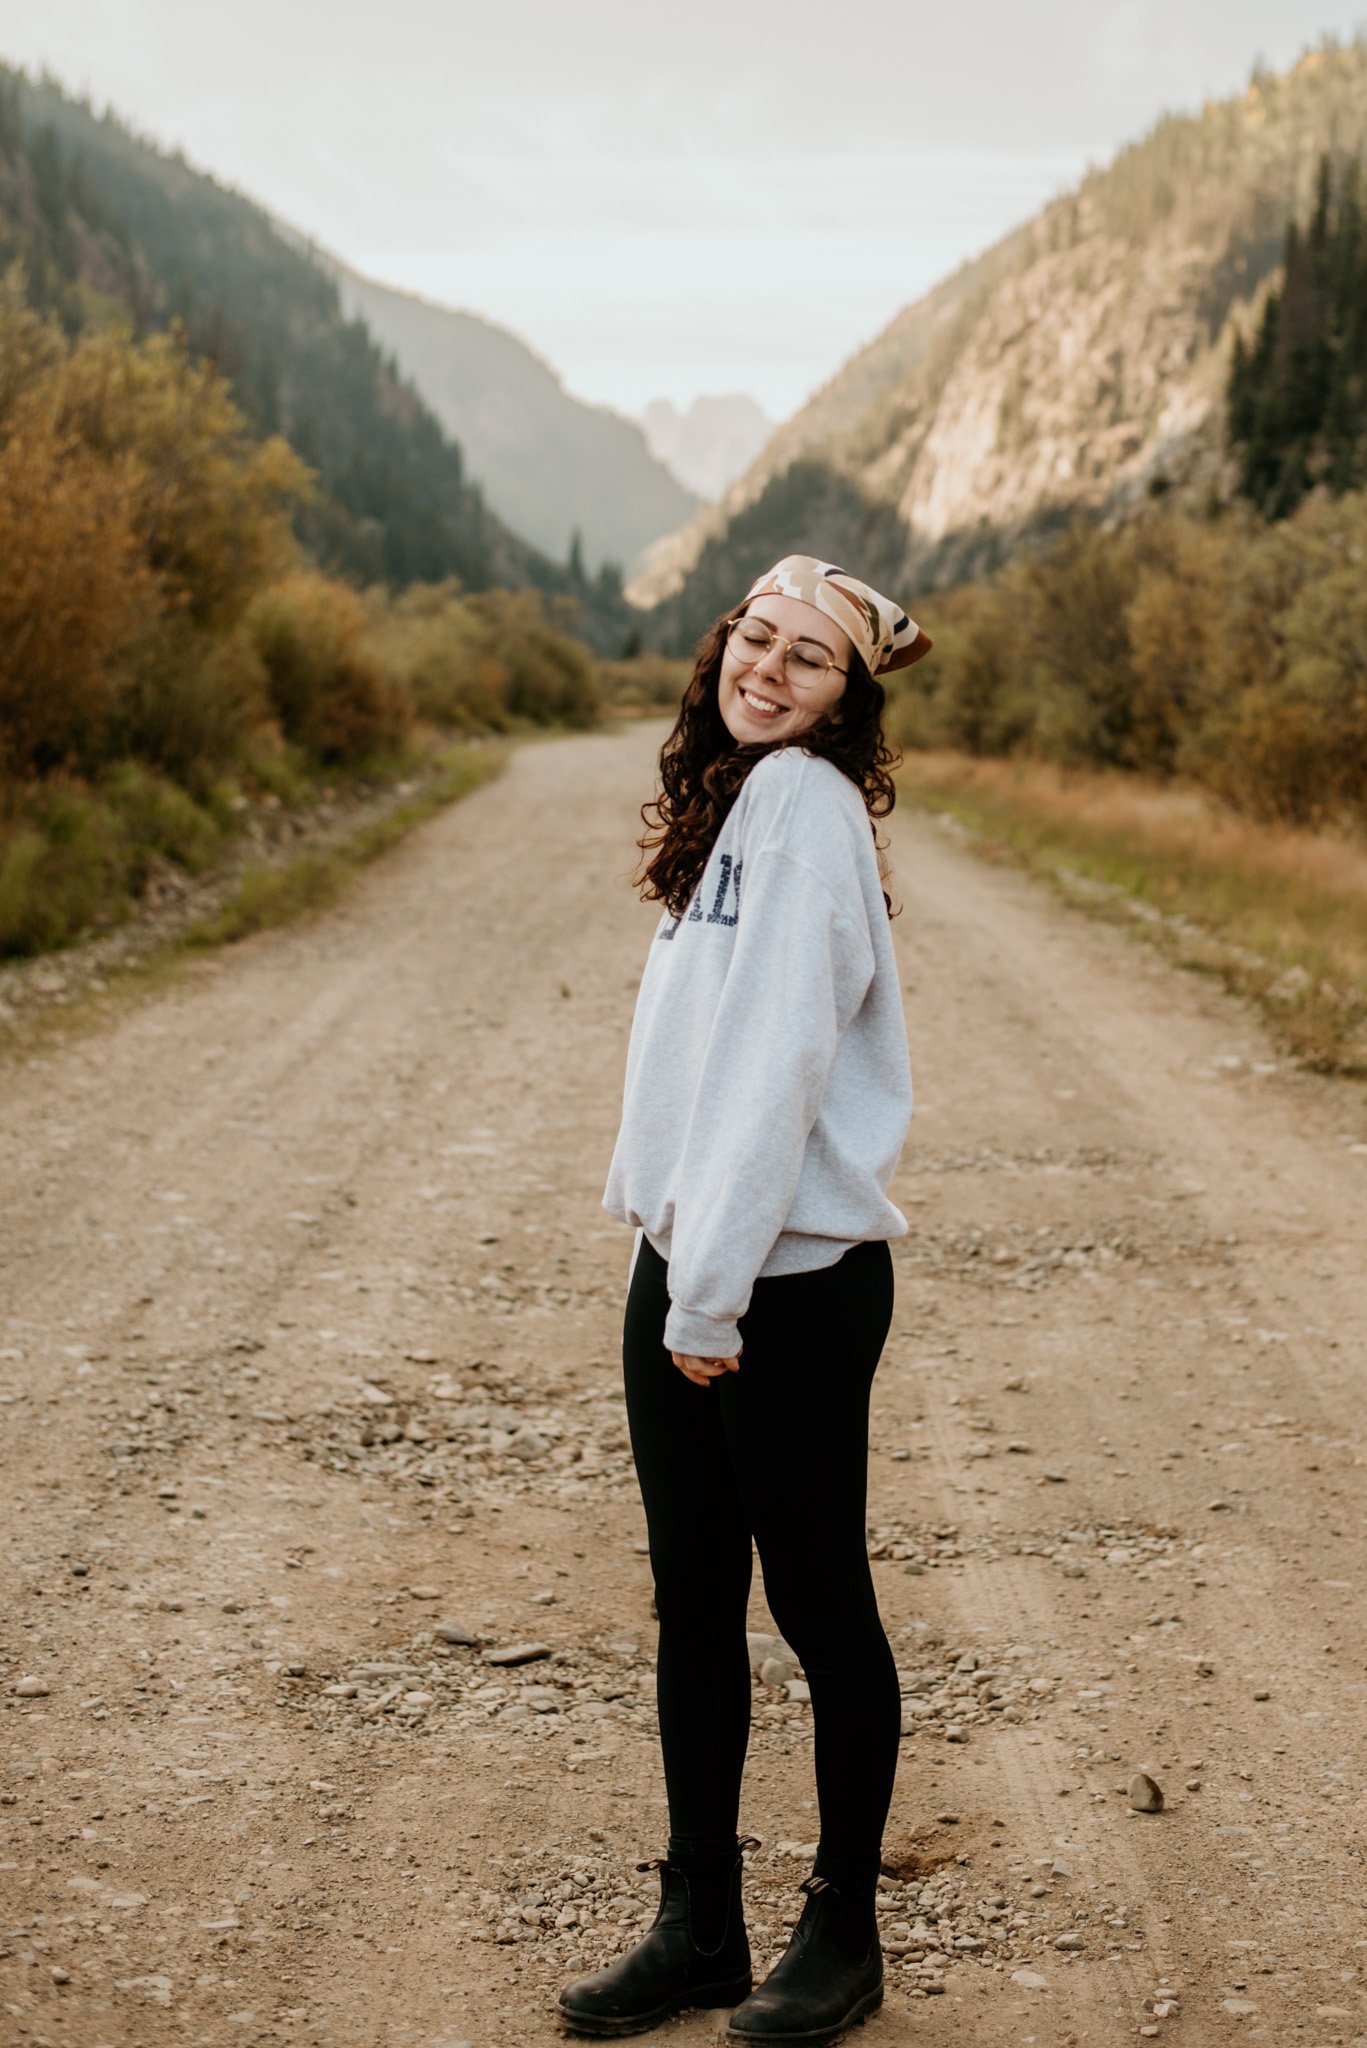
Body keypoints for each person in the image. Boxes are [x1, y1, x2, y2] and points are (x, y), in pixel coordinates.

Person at [558, 556, 932, 2047]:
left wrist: (705, 1295)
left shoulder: (802, 808)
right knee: (697, 1605)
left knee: (820, 1605)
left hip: (784, 1285)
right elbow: (691, 1054)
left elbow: (774, 1067)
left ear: (847, 701)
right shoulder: (741, 800)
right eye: (755, 640)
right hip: (698, 1261)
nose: (767, 671)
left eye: (807, 660)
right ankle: (700, 1926)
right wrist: (662, 1237)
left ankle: (842, 1934)